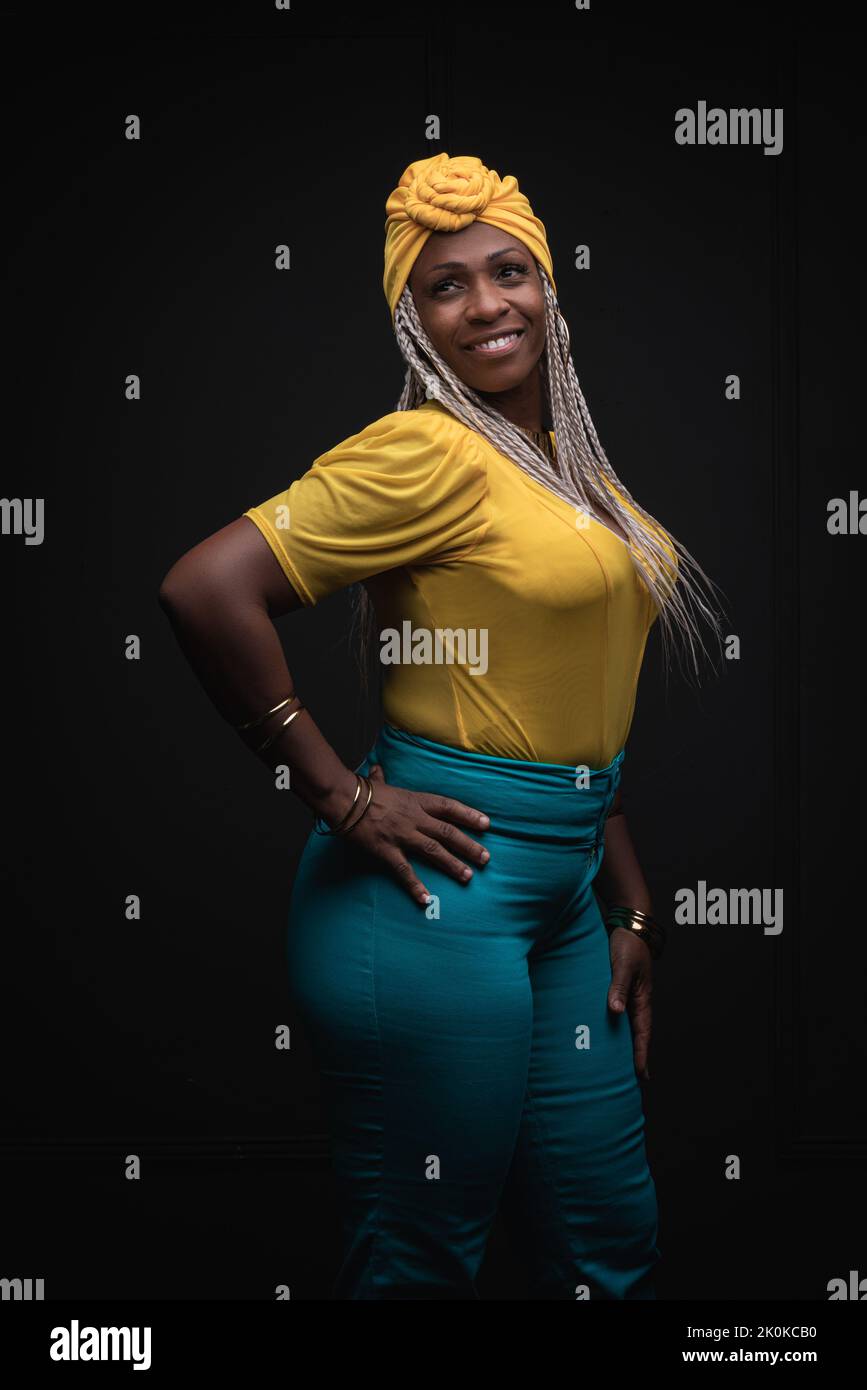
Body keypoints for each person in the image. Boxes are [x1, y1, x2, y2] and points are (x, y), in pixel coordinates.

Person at [159, 152, 727, 1300]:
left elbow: (572, 708)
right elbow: (203, 588)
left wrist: (625, 899)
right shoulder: (430, 453)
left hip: (567, 896)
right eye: (445, 285)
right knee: (422, 1255)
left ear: (548, 285)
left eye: (508, 270)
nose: (486, 303)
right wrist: (339, 793)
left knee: (606, 1241)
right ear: (413, 320)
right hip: (436, 892)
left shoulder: (574, 472)